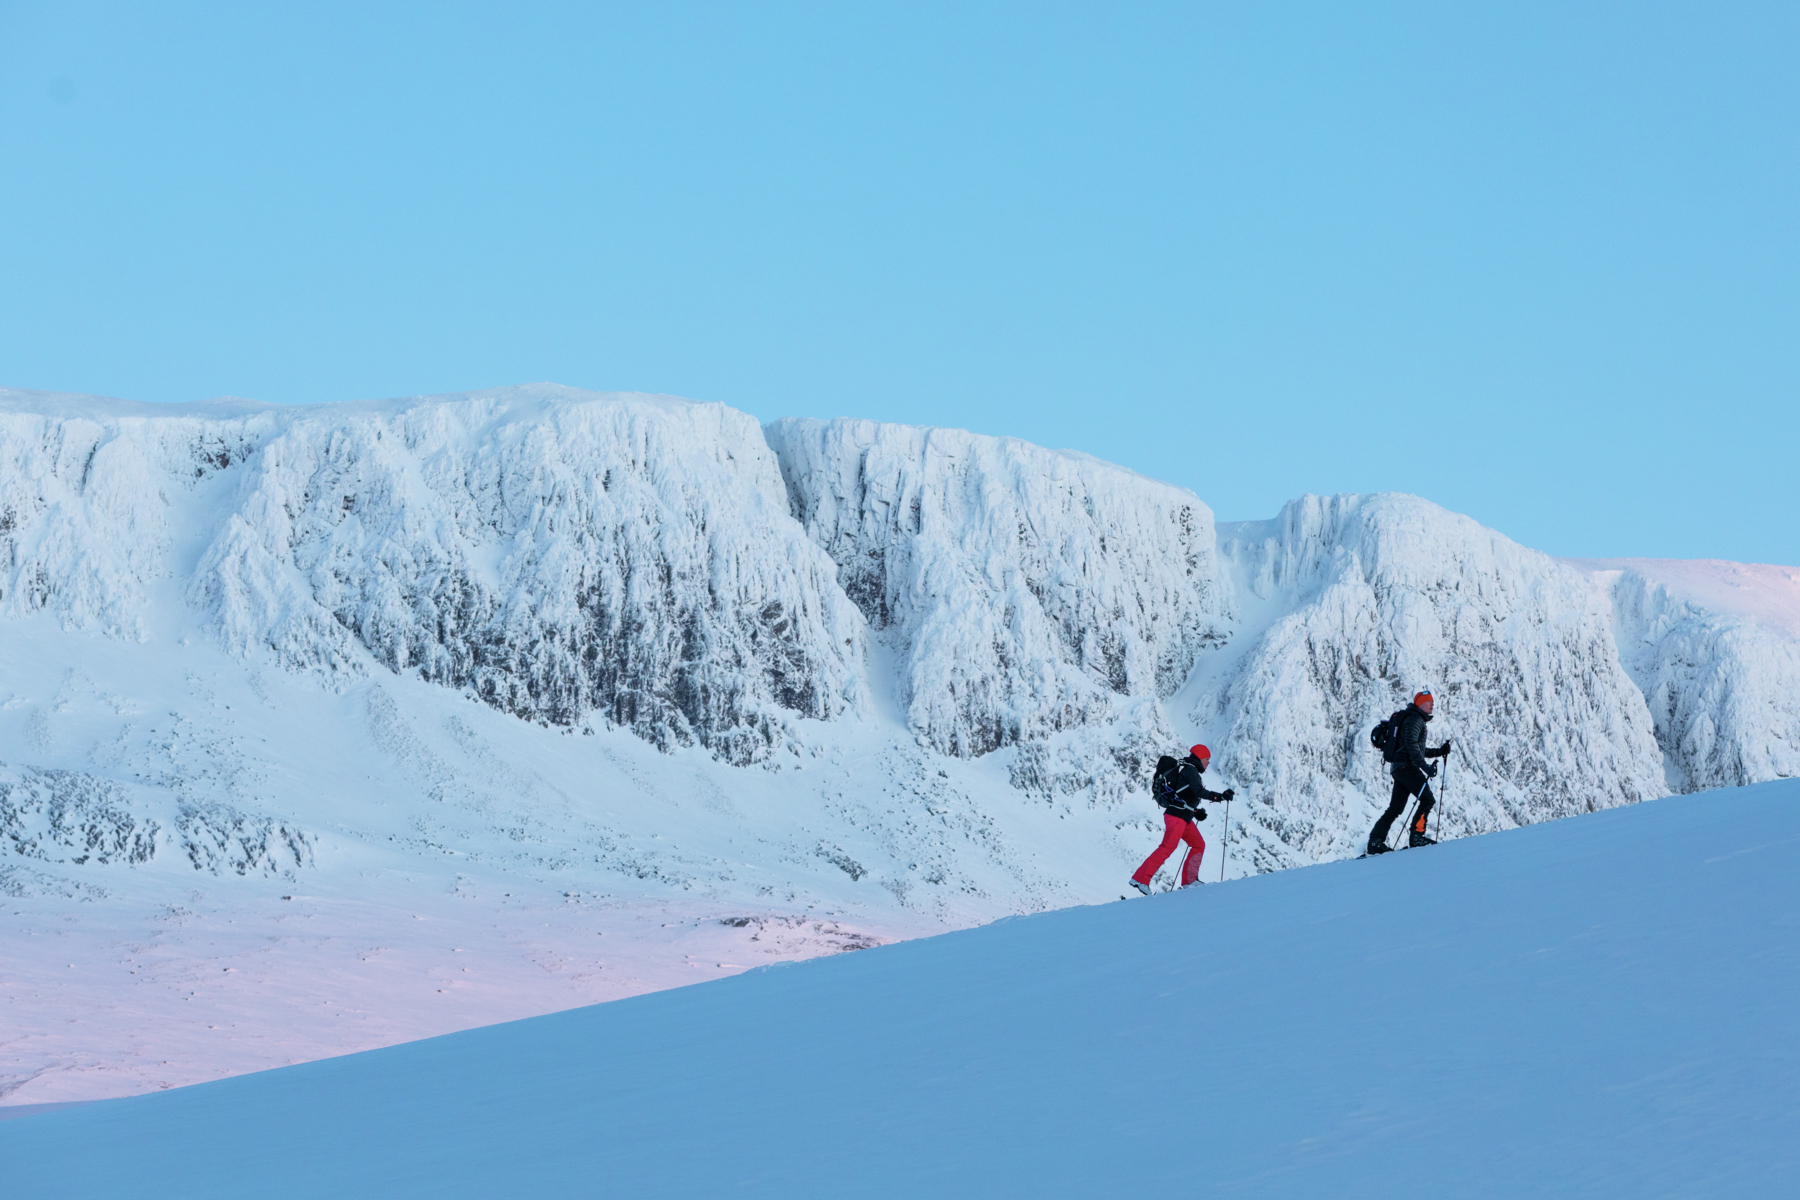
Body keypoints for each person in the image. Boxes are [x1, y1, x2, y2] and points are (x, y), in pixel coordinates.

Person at [1130, 744, 1233, 895]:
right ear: (1199, 758)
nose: (1208, 763)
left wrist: (1196, 811)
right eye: (1207, 759)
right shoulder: (1190, 770)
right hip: (1176, 817)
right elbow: (1199, 791)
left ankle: (1189, 881)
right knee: (1167, 847)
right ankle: (1140, 879)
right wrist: (1220, 796)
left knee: (1198, 844)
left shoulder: (1189, 770)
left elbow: (1184, 796)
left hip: (1182, 816)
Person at [1367, 690, 1453, 854]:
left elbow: (1415, 748)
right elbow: (1412, 745)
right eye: (1429, 702)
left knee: (1395, 808)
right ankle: (1417, 836)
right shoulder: (1415, 719)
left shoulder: (1413, 718)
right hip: (1407, 767)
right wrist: (1424, 767)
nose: (1432, 704)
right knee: (1427, 799)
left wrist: (1439, 751)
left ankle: (1375, 842)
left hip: (1399, 768)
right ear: (1420, 704)